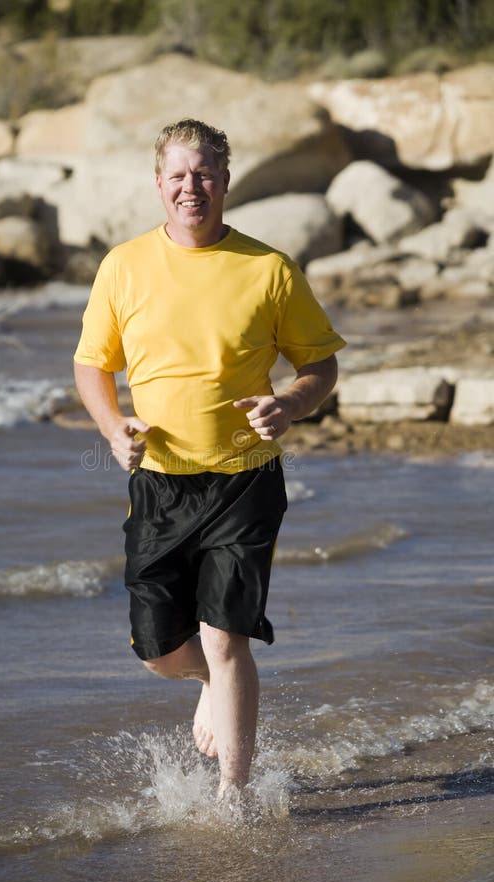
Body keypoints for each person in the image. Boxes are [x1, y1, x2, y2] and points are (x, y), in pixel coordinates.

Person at [73, 118, 345, 800]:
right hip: (161, 483)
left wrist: (289, 404)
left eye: (204, 175)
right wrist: (113, 428)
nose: (190, 188)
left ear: (225, 181)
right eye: (177, 176)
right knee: (159, 652)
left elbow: (321, 363)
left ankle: (235, 794)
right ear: (158, 183)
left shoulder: (269, 269)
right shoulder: (124, 265)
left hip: (244, 479)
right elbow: (90, 365)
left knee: (227, 640)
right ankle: (207, 684)